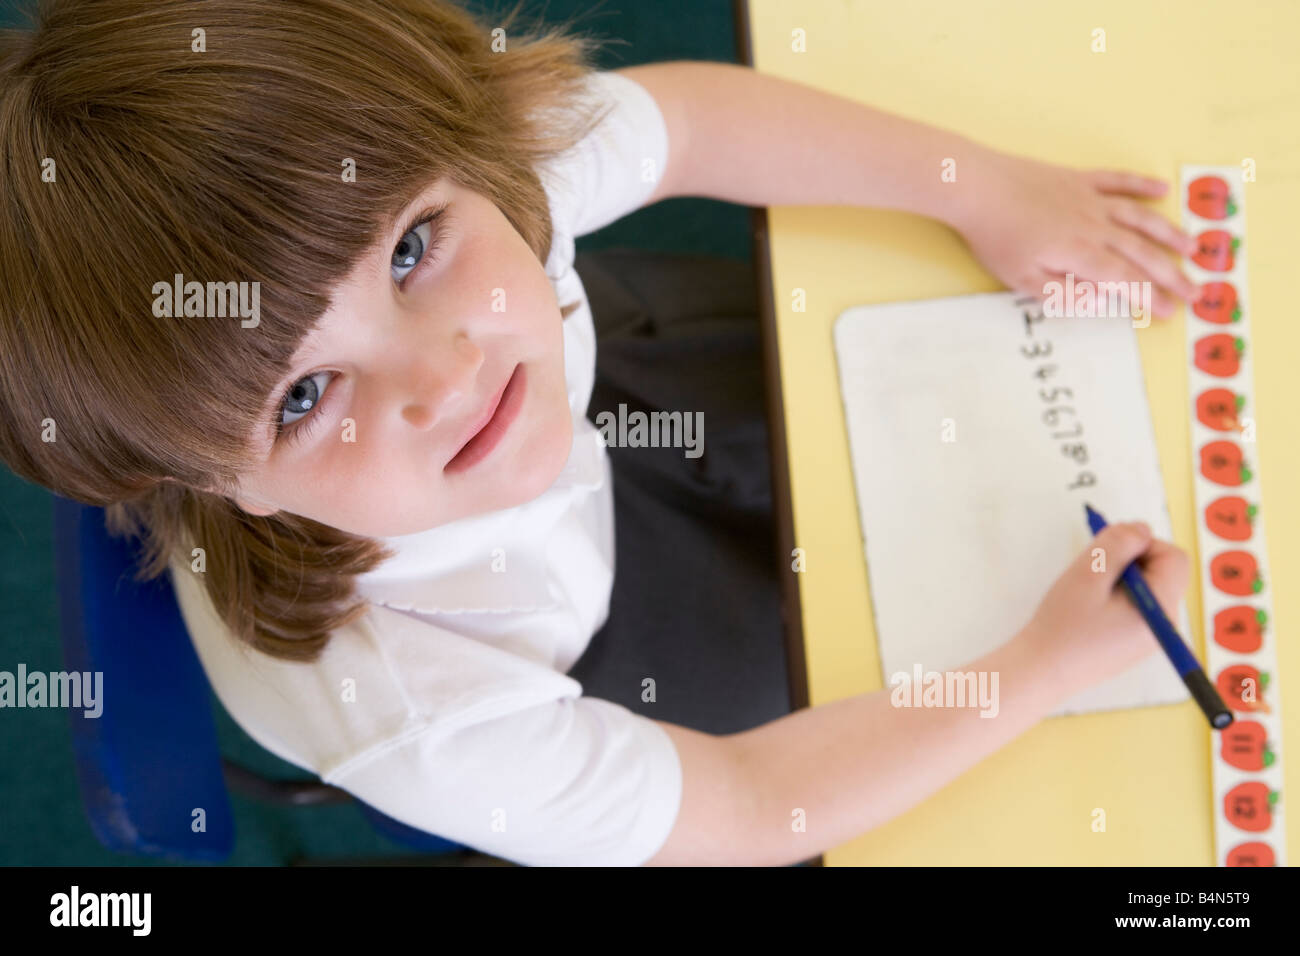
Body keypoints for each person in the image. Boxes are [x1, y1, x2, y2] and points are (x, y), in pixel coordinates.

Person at [0, 0, 1192, 866]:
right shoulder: (427, 713)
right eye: (304, 395)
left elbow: (687, 117)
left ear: (463, 152)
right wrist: (1037, 667)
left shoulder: (458, 169)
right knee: (848, 674)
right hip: (582, 642)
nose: (445, 373)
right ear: (214, 484)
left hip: (607, 392)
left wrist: (979, 186)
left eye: (413, 251)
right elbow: (742, 800)